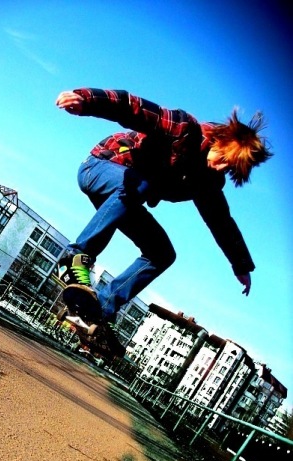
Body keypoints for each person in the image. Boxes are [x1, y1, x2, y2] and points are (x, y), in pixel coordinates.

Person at [55, 87, 272, 350]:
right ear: (220, 139)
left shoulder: (207, 180)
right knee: (143, 184)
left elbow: (221, 221)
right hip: (98, 168)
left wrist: (241, 265)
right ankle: (76, 257)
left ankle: (98, 309)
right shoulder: (184, 129)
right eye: (225, 158)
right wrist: (88, 100)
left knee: (162, 253)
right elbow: (133, 107)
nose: (222, 167)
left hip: (125, 199)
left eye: (231, 168)